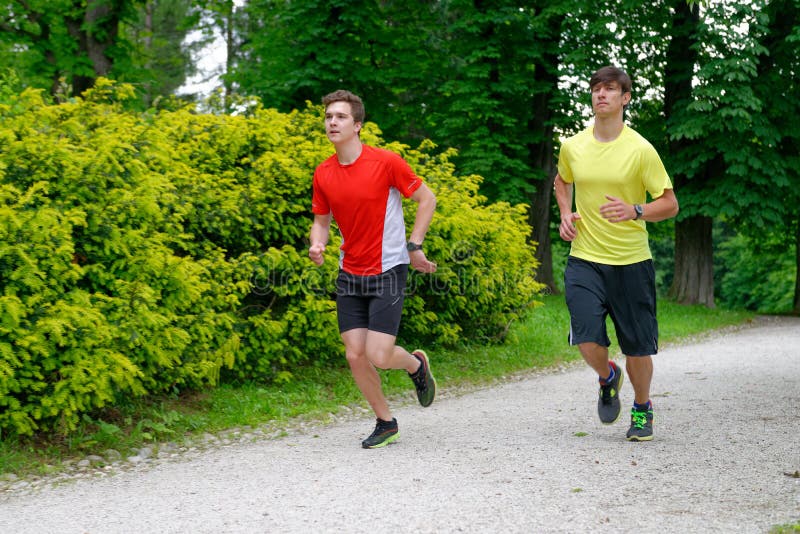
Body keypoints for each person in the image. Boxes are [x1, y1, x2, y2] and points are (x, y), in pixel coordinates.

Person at [554, 65, 679, 442]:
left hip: (630, 262)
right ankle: (608, 377)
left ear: (625, 99)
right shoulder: (573, 146)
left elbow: (670, 204)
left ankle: (642, 408)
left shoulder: (640, 150)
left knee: (638, 347)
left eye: (609, 89)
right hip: (585, 259)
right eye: (595, 89)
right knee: (587, 339)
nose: (600, 95)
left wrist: (635, 209)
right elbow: (562, 181)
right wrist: (564, 214)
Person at [308, 89, 438, 449]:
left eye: (341, 117)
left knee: (379, 355)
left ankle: (415, 365)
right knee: (354, 354)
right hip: (349, 272)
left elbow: (427, 199)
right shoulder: (324, 172)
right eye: (328, 116)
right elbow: (321, 220)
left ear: (358, 125)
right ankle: (385, 421)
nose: (332, 122)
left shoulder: (386, 162)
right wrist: (317, 242)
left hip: (388, 268)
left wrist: (414, 246)